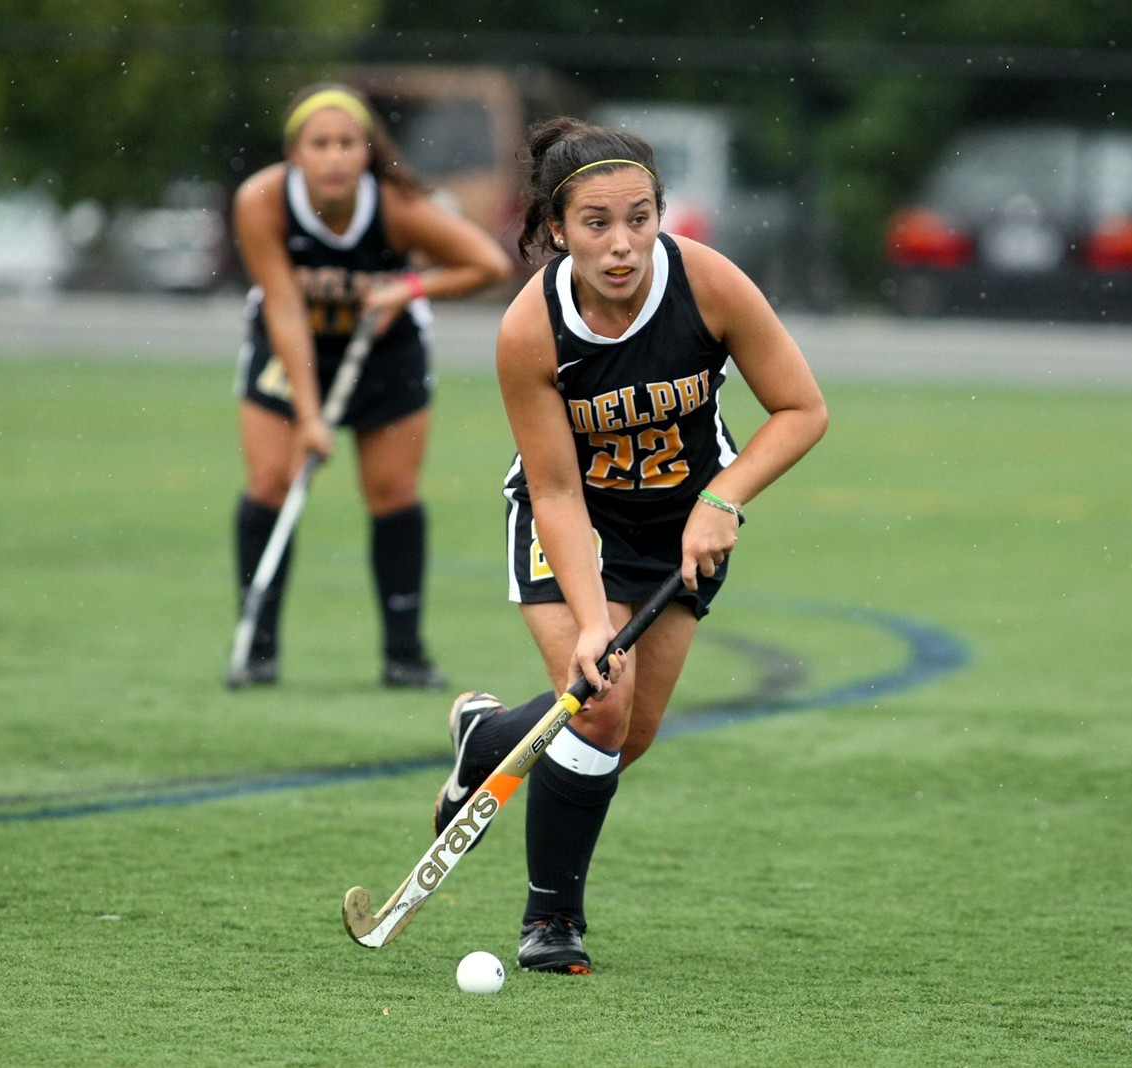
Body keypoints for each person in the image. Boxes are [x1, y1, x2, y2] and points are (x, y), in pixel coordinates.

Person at [433, 117, 829, 973]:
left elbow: (802, 409)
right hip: (574, 519)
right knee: (598, 708)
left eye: (640, 219)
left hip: (682, 526)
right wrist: (589, 621)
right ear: (555, 229)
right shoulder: (531, 329)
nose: (622, 245)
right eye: (596, 223)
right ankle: (552, 920)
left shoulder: (709, 284)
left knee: (625, 737)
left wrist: (723, 498)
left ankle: (489, 739)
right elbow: (555, 489)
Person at [228, 82, 512, 689]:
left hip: (386, 355)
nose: (334, 157)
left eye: (347, 143)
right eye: (319, 144)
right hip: (290, 350)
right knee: (270, 482)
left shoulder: (397, 208)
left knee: (392, 492)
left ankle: (404, 655)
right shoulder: (261, 202)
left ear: (368, 150)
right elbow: (283, 308)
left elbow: (487, 264)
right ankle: (258, 648)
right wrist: (309, 416)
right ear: (294, 152)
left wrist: (407, 288)